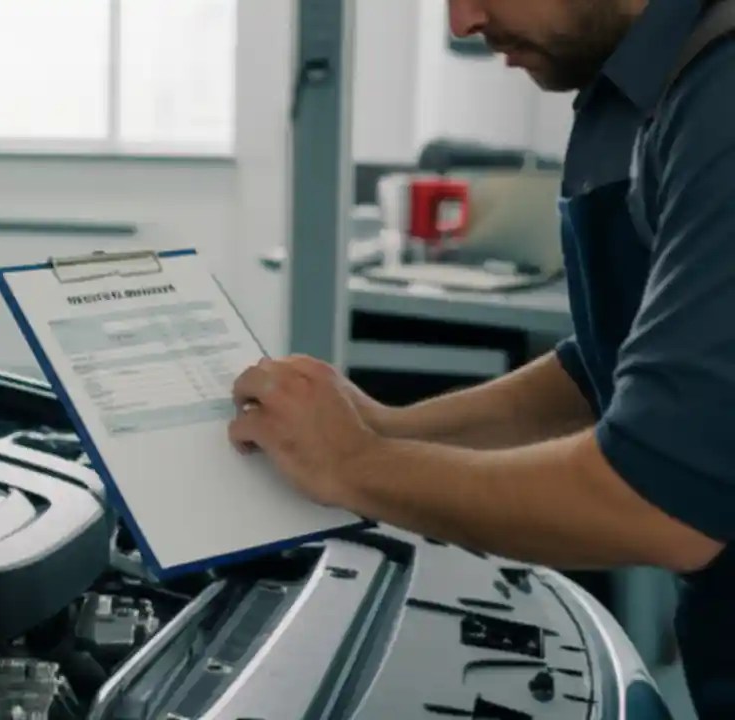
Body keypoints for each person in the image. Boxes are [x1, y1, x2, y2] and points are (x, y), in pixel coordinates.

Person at [228, 0, 735, 715]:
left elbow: (657, 500)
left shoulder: (722, 99)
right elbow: (607, 366)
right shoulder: (652, 84)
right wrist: (387, 428)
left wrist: (354, 466)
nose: (461, 21)